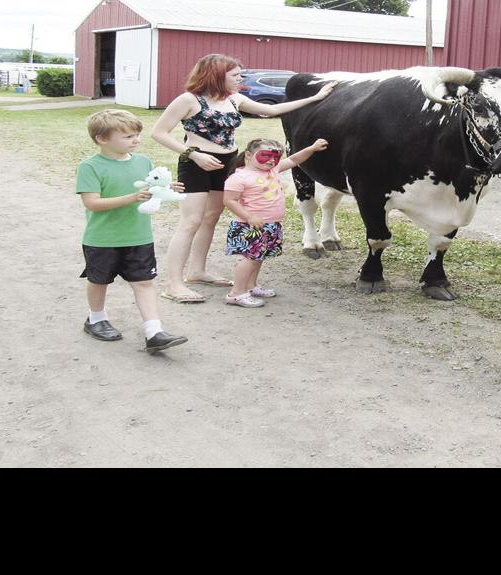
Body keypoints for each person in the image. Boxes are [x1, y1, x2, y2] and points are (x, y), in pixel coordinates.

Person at [151, 54, 335, 303]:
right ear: (216, 75)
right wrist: (193, 155)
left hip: (227, 163)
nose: (241, 79)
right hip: (196, 164)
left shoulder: (235, 99)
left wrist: (315, 97)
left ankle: (197, 271)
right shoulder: (188, 100)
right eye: (235, 75)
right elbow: (159, 133)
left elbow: (271, 110)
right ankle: (173, 284)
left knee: (210, 218)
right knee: (190, 221)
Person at [76, 109, 189, 353]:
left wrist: (167, 188)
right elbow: (92, 203)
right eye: (127, 136)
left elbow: (151, 188)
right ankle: (96, 319)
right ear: (102, 139)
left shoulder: (143, 161)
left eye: (137, 135)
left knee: (144, 282)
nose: (136, 140)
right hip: (103, 239)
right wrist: (131, 198)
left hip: (139, 237)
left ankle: (154, 331)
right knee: (99, 281)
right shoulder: (90, 167)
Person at [219, 137, 330, 307]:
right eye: (265, 155)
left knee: (258, 258)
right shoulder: (239, 177)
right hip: (250, 226)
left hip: (269, 225)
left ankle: (251, 286)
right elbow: (229, 200)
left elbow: (294, 159)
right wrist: (249, 217)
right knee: (249, 259)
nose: (271, 161)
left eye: (276, 157)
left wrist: (312, 148)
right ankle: (236, 293)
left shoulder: (273, 170)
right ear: (248, 155)